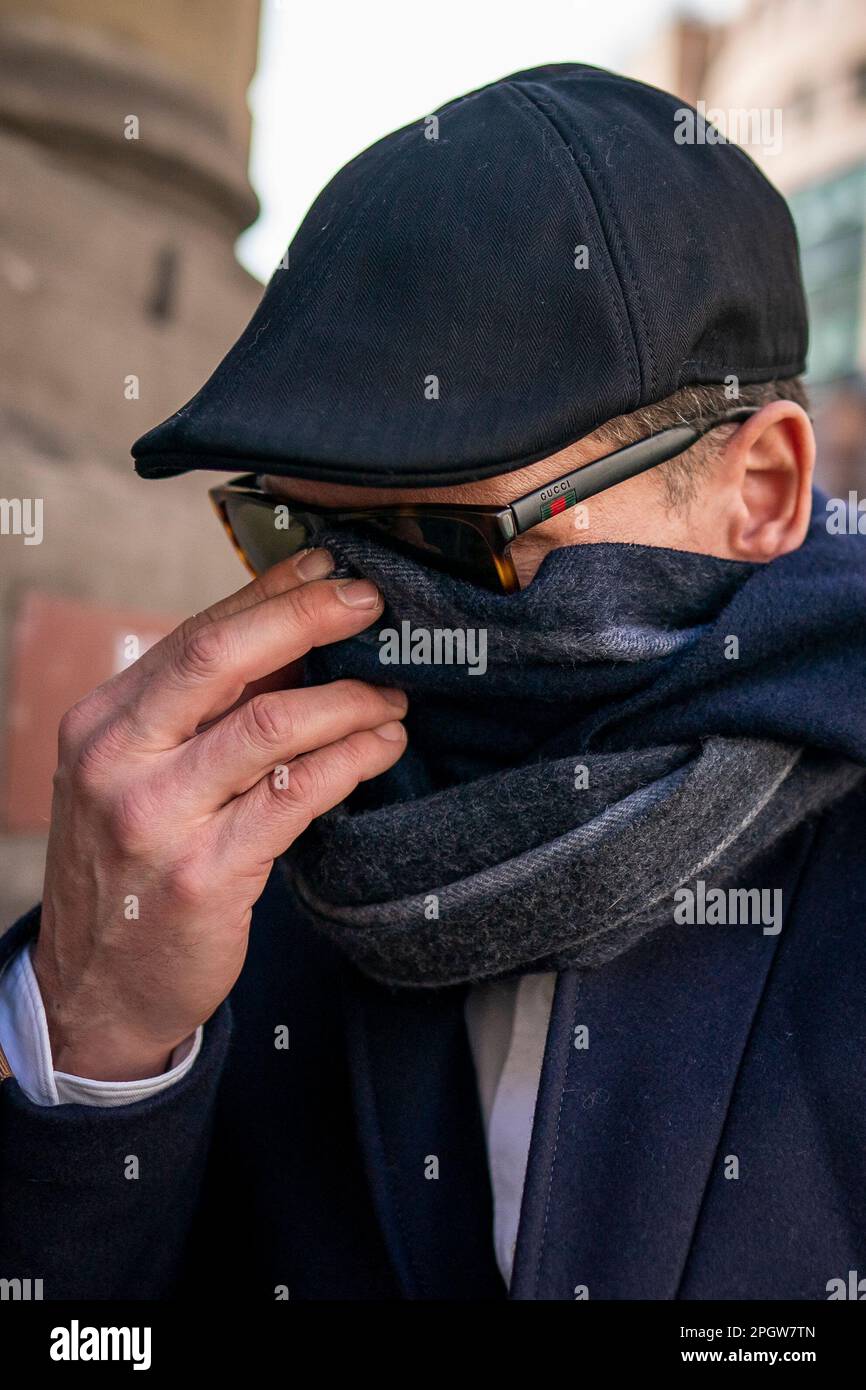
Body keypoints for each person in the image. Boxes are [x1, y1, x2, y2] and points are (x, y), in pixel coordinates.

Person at [1, 63, 865, 1301]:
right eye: (294, 535)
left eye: (455, 541)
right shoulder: (218, 882)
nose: (362, 612)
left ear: (763, 490)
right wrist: (93, 1047)